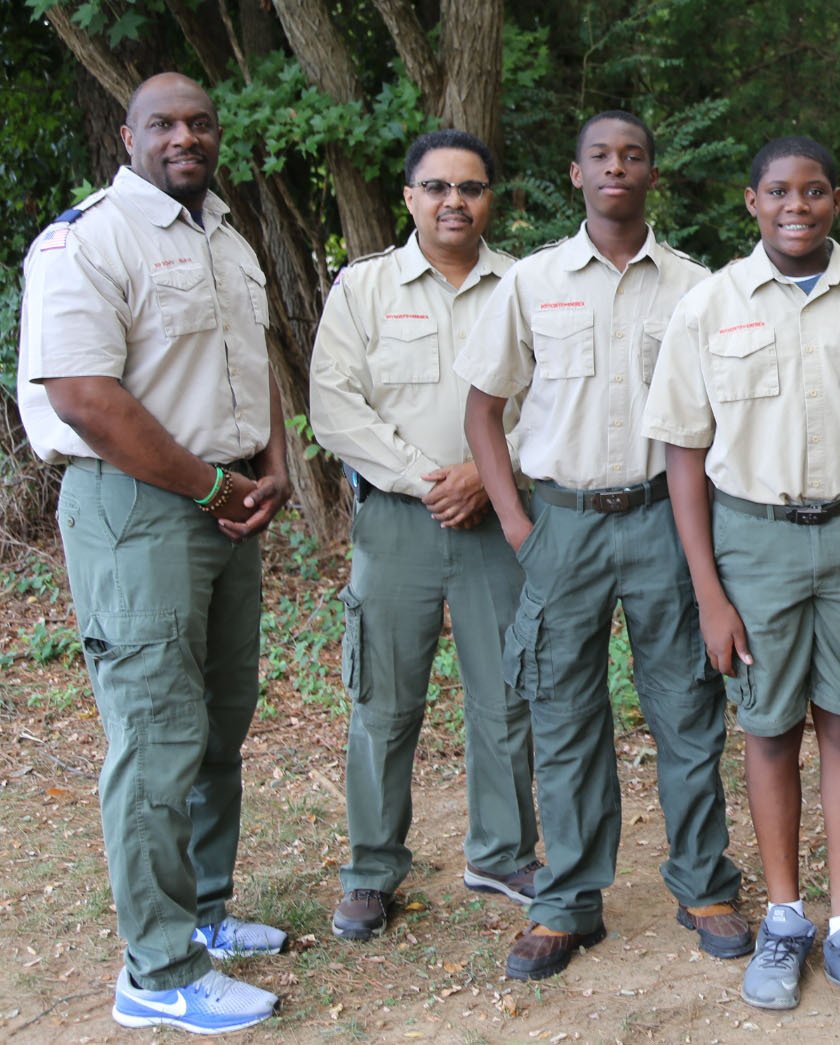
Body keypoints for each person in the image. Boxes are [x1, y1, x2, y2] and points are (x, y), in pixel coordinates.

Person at [642, 136, 840, 1022]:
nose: (796, 206)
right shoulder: (709, 308)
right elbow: (685, 456)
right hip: (754, 542)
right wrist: (709, 591)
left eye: (814, 190)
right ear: (752, 201)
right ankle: (783, 917)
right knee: (768, 728)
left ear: (839, 199)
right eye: (779, 191)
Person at [17, 72, 291, 1034]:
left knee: (219, 719)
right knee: (156, 732)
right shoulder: (87, 240)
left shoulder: (227, 235)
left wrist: (274, 464)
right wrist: (211, 486)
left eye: (202, 121)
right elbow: (83, 396)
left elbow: (251, 369)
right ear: (128, 135)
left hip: (226, 504)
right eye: (165, 123)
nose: (186, 136)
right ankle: (158, 969)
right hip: (139, 510)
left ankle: (204, 913)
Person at [457, 111, 750, 979]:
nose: (616, 167)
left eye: (633, 156)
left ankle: (704, 885)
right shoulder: (532, 282)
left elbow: (717, 422)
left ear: (652, 174)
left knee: (687, 707)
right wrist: (518, 523)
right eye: (600, 156)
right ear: (576, 173)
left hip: (664, 517)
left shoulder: (697, 288)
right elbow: (483, 410)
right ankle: (567, 901)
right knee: (563, 711)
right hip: (564, 522)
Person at [308, 129, 540, 944]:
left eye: (470, 187)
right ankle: (372, 868)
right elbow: (336, 407)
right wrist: (430, 480)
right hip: (399, 524)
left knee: (506, 692)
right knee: (383, 701)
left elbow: (550, 399)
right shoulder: (363, 289)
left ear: (490, 199)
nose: (454, 201)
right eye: (436, 187)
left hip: (499, 521)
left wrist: (486, 469)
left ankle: (502, 852)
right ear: (408, 197)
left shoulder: (526, 285)